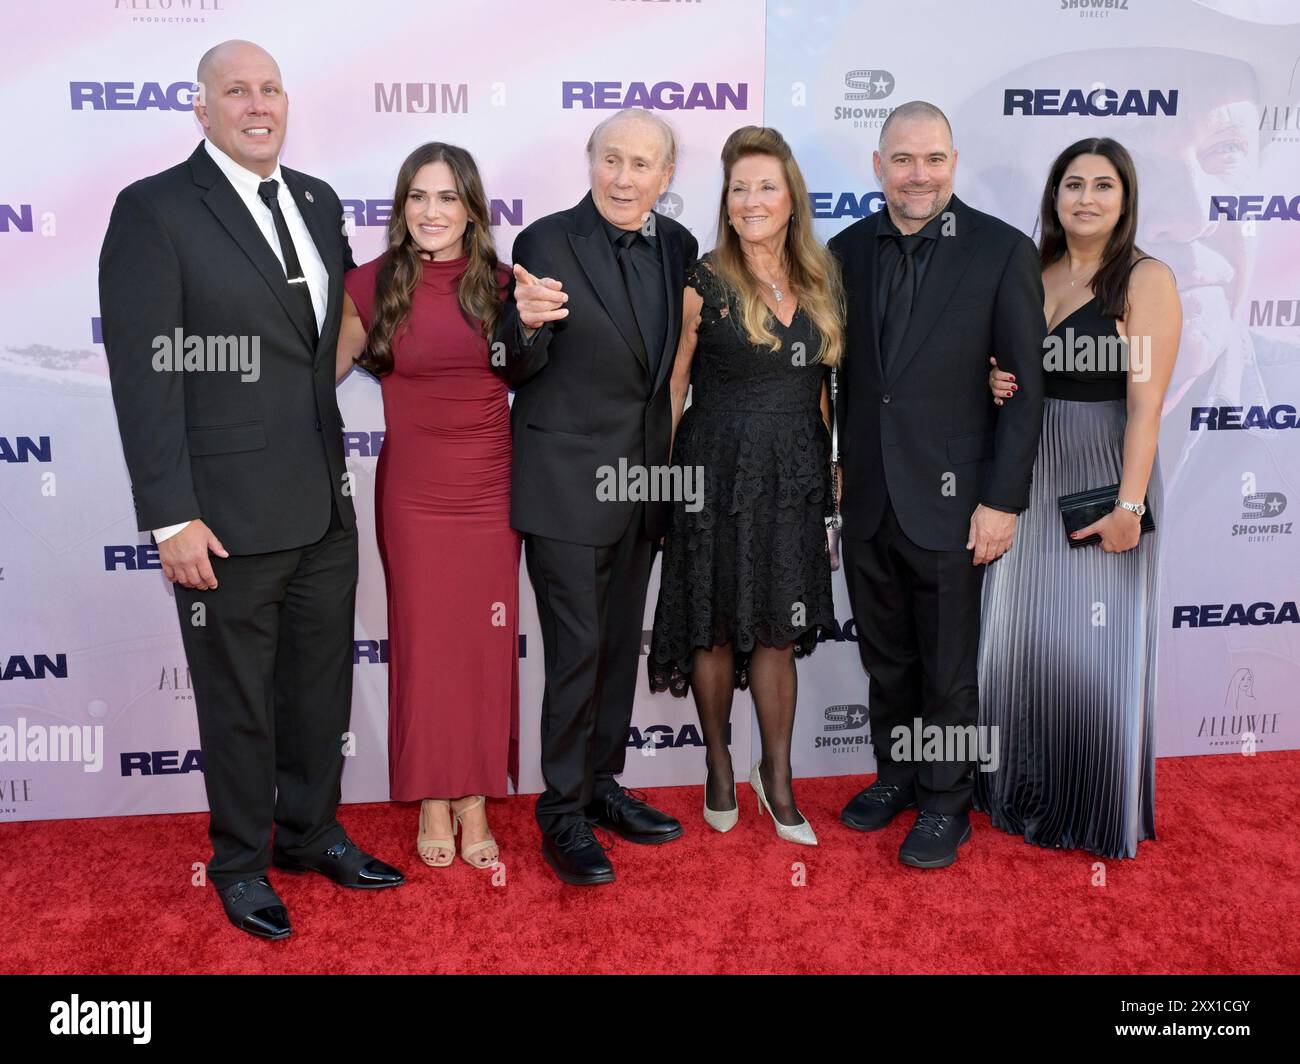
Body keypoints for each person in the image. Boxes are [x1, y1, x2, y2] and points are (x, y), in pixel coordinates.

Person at [99, 40, 403, 940]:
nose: (257, 104)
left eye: (270, 88)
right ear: (202, 107)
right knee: (236, 702)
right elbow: (146, 376)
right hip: (222, 518)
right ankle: (237, 861)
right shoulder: (153, 210)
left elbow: (337, 339)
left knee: (317, 692)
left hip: (321, 502)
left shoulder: (311, 198)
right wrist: (170, 518)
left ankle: (308, 834)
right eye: (237, 90)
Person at [828, 101, 1045, 869]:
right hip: (870, 500)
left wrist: (1002, 499)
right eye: (902, 159)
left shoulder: (1001, 251)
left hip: (958, 504)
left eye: (934, 159)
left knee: (948, 666)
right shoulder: (844, 250)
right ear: (878, 164)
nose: (918, 174)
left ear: (954, 161)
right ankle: (898, 776)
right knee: (887, 659)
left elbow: (1024, 390)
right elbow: (851, 381)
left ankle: (947, 799)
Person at [495, 108, 698, 886]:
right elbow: (513, 363)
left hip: (643, 488)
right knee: (576, 654)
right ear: (590, 161)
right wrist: (523, 327)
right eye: (612, 159)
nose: (624, 177)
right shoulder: (545, 241)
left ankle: (602, 784)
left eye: (642, 165)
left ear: (666, 177)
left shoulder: (678, 247)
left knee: (616, 652)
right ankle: (562, 812)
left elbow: (673, 371)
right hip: (567, 488)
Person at [983, 137, 1181, 859]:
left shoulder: (1144, 280)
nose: (1087, 198)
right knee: (1022, 638)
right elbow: (1012, 368)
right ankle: (1024, 790)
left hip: (1101, 466)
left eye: (1103, 185)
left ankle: (1090, 804)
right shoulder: (1033, 270)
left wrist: (1129, 508)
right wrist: (996, 381)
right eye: (1073, 184)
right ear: (1054, 197)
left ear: (1125, 199)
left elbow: (1148, 407)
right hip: (1027, 467)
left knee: (1095, 649)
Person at [648, 126, 843, 845]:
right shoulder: (704, 280)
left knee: (777, 628)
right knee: (715, 620)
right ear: (726, 204)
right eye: (740, 188)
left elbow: (824, 392)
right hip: (714, 471)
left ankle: (779, 777)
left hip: (793, 476)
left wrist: (828, 477)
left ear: (791, 198)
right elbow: (672, 391)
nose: (753, 199)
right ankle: (720, 766)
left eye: (767, 186)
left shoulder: (822, 278)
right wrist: (661, 487)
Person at [336, 144, 518, 871]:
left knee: (481, 644)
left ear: (473, 208)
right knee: (424, 642)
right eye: (417, 197)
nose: (431, 212)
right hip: (413, 492)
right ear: (400, 207)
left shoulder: (506, 287)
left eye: (447, 198)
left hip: (492, 490)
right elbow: (317, 378)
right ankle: (433, 797)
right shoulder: (371, 285)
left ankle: (472, 793)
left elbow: (547, 375)